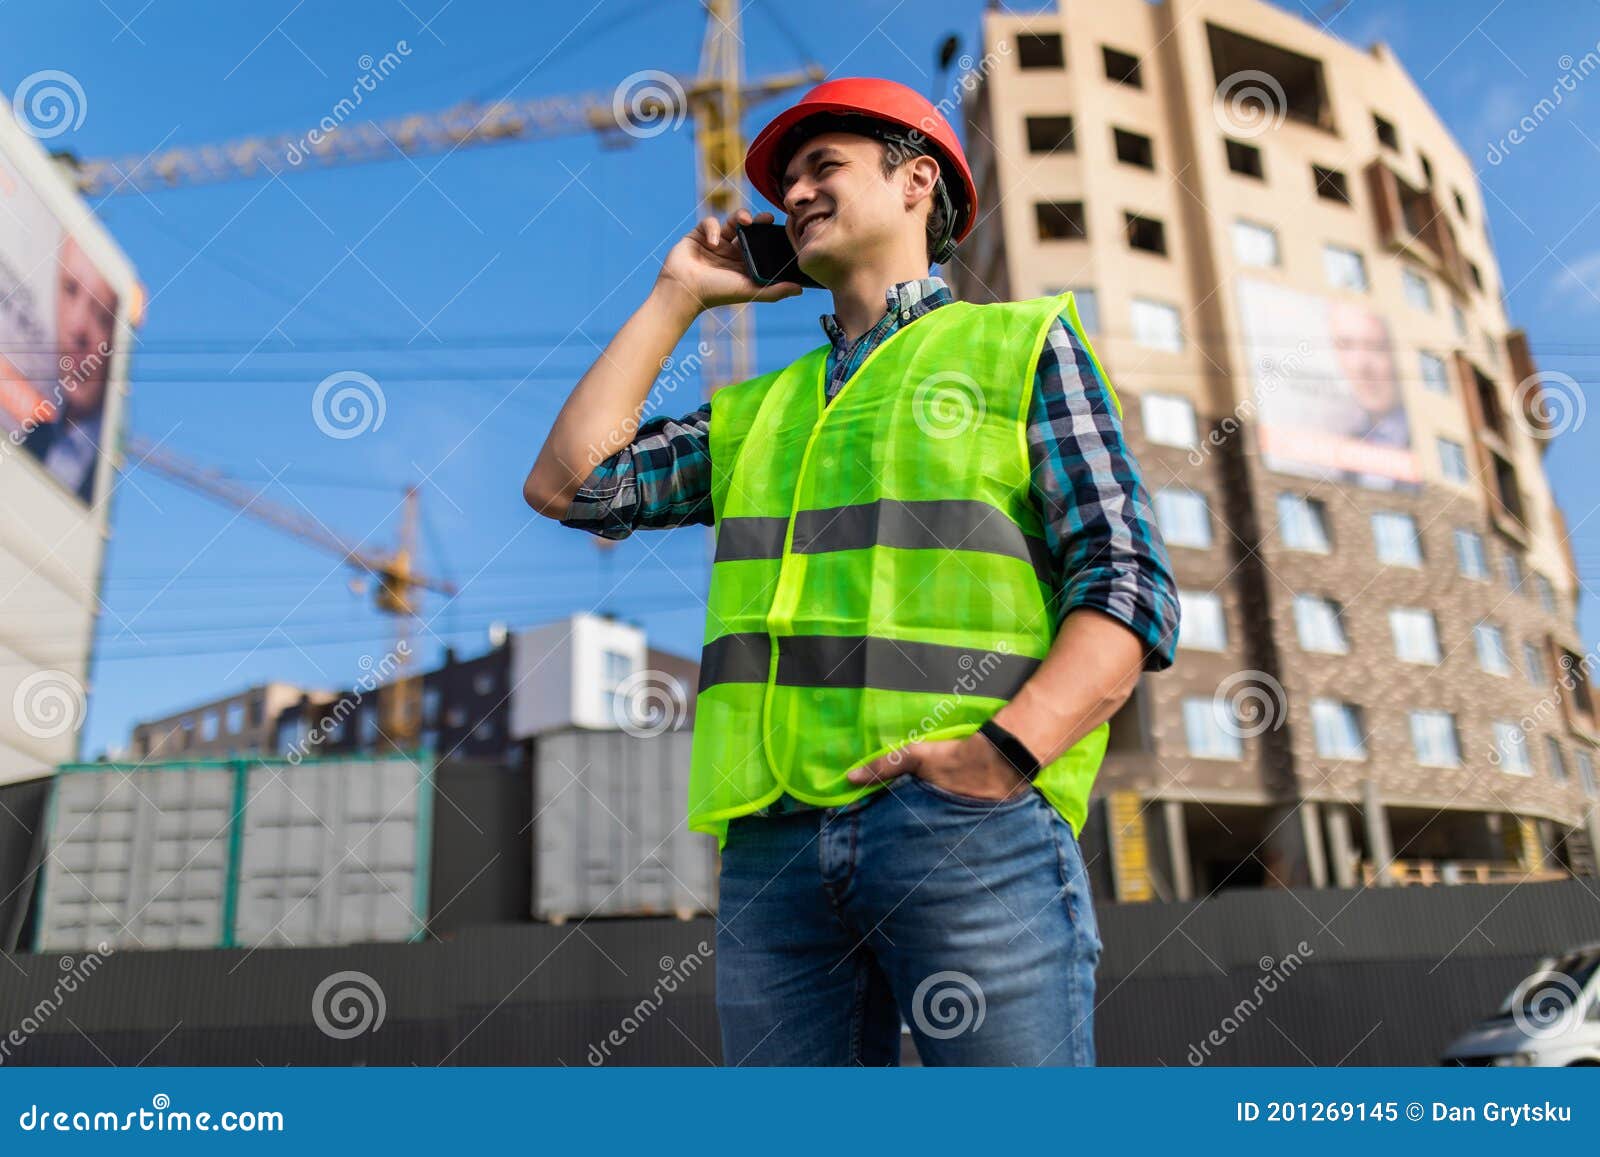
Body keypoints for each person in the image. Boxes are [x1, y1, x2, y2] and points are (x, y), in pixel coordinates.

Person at [524, 77, 1179, 1066]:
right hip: (773, 844)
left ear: (916, 181)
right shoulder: (757, 410)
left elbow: (1126, 578)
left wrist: (1003, 754)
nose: (793, 193)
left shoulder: (1015, 345)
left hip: (966, 823)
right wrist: (680, 294)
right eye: (785, 181)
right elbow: (570, 484)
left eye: (821, 166)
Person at [20, 233, 118, 504]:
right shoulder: (34, 434)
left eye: (100, 315)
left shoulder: (98, 480)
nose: (78, 327)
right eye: (70, 290)